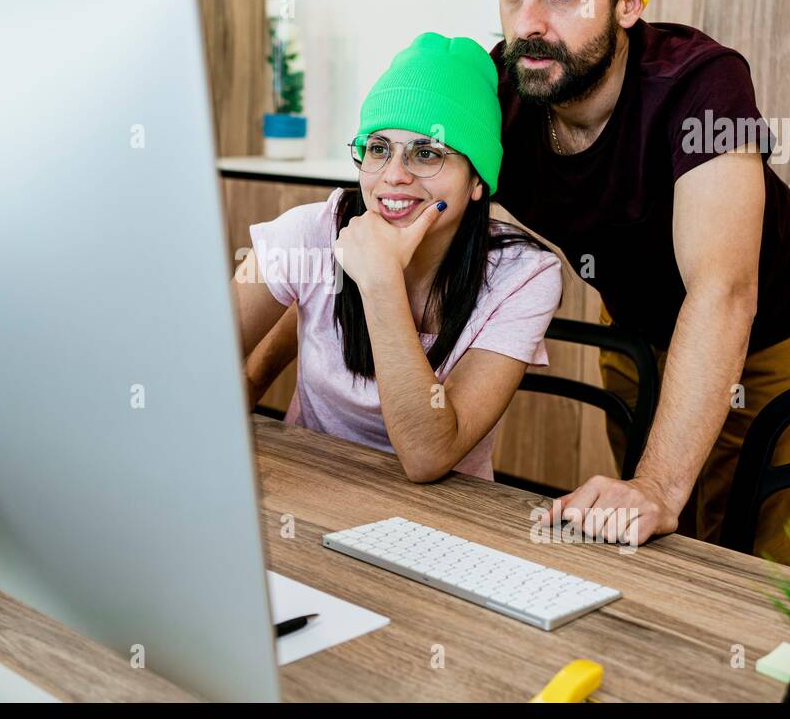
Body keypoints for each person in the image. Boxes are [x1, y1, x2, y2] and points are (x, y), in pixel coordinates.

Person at [490, 0, 790, 564]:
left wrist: (656, 484)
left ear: (628, 3)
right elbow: (409, 188)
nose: (530, 23)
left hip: (760, 322)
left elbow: (724, 291)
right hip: (637, 316)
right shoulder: (504, 88)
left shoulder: (701, 82)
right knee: (650, 540)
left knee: (745, 545)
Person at [233, 33, 562, 482]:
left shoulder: (524, 276)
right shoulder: (308, 232)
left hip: (444, 520)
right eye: (378, 148)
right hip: (308, 489)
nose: (393, 177)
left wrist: (380, 280)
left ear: (478, 180)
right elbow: (193, 364)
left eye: (426, 153)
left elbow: (428, 456)